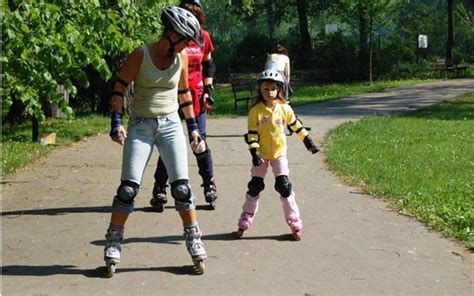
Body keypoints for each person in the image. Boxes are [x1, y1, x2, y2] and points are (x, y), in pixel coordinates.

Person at [104, 6, 207, 277]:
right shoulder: (142, 54)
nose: (188, 45)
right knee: (128, 190)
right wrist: (116, 123)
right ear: (172, 34)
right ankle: (114, 239)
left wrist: (193, 128)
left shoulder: (182, 57)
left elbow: (184, 93)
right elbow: (118, 87)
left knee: (182, 189)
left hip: (171, 125)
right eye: (185, 38)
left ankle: (193, 237)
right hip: (140, 125)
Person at [235, 69, 319, 241]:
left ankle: (294, 221)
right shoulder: (255, 111)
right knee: (255, 186)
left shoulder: (284, 108)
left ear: (279, 89)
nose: (269, 92)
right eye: (265, 88)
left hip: (279, 154)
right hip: (261, 155)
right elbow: (252, 134)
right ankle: (246, 217)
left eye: (273, 88)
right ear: (260, 89)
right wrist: (254, 152)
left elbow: (296, 126)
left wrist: (307, 141)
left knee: (284, 187)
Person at [150, 0, 218, 212]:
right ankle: (160, 187)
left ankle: (209, 184)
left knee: (199, 143)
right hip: (173, 95)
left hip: (196, 96)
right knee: (169, 142)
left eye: (196, 16)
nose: (192, 20)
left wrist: (209, 91)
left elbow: (208, 64)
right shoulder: (172, 38)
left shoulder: (204, 37)